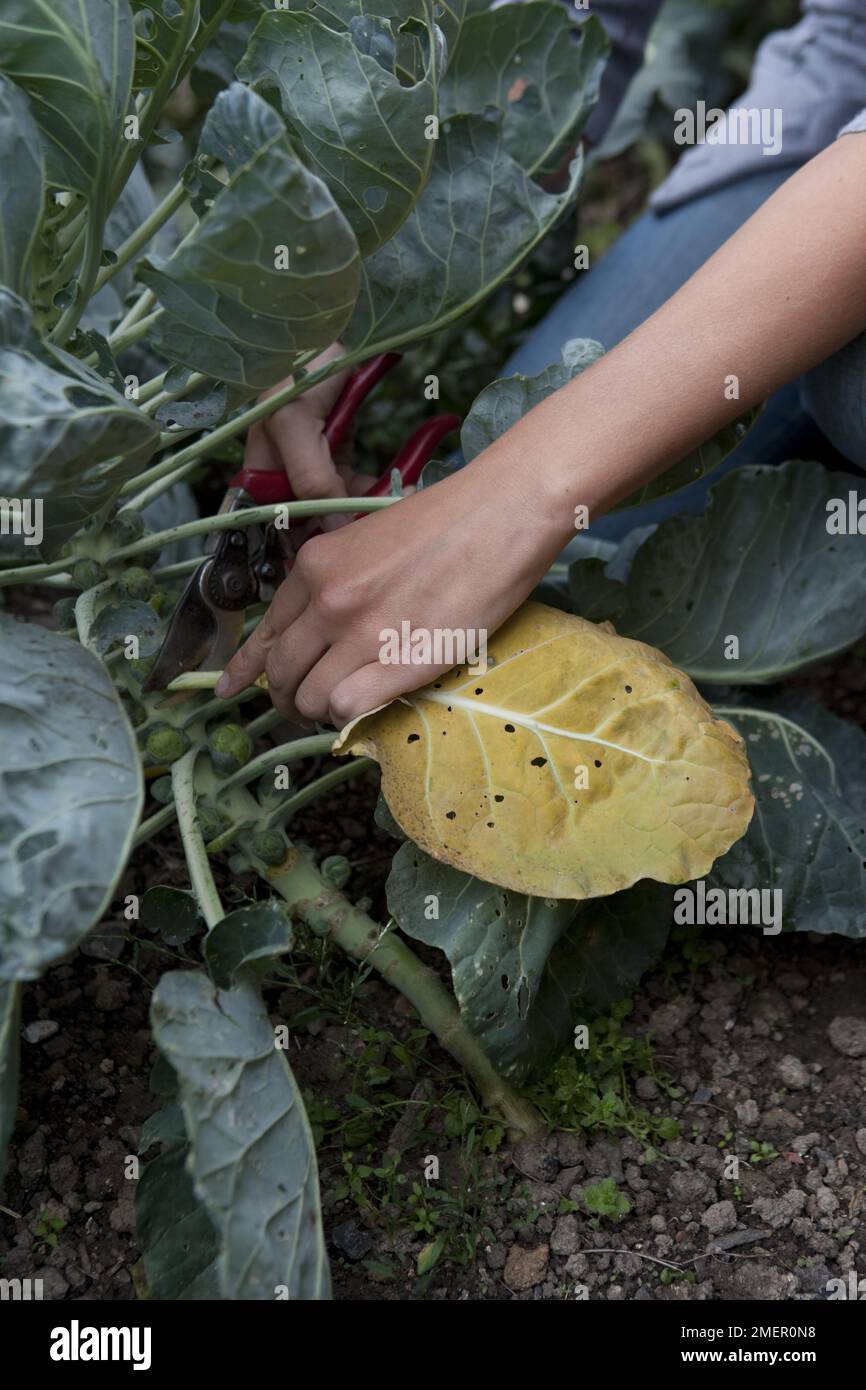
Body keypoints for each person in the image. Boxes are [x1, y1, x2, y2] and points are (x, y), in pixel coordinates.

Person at [216, 0, 866, 724]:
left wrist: (521, 493)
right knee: (561, 572)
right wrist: (347, 285)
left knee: (847, 385)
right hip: (837, 87)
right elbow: (575, 26)